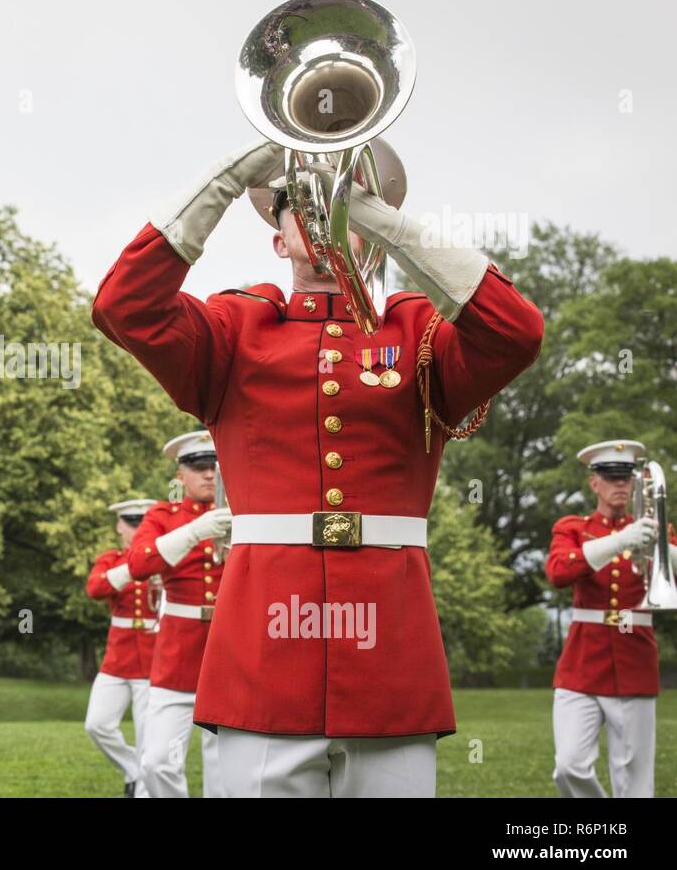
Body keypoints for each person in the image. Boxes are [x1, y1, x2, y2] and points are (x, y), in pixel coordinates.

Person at [93, 138, 544, 796]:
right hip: (261, 663)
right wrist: (228, 176)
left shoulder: (416, 336)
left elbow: (516, 331)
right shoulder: (235, 331)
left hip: (392, 660)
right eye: (299, 203)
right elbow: (122, 306)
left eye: (342, 201)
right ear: (277, 240)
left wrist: (375, 216)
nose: (322, 213)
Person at [545, 440, 676, 797]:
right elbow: (558, 571)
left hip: (635, 659)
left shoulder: (656, 529)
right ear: (594, 483)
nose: (620, 484)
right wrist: (621, 541)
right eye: (610, 477)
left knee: (635, 779)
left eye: (626, 477)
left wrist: (663, 549)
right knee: (569, 765)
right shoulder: (573, 527)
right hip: (581, 663)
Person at [127, 433, 231, 797]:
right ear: (181, 475)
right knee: (157, 761)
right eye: (199, 467)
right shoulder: (164, 514)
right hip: (178, 653)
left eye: (216, 467)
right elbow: (138, 564)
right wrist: (194, 532)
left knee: (225, 766)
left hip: (228, 650)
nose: (209, 475)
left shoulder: (246, 513)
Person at [83, 497, 158, 797]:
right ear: (119, 527)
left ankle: (141, 791)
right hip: (117, 659)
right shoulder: (111, 560)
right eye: (131, 524)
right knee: (96, 724)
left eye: (142, 524)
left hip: (152, 659)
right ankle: (133, 770)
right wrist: (131, 568)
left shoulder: (161, 557)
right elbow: (95, 588)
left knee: (146, 735)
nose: (136, 529)